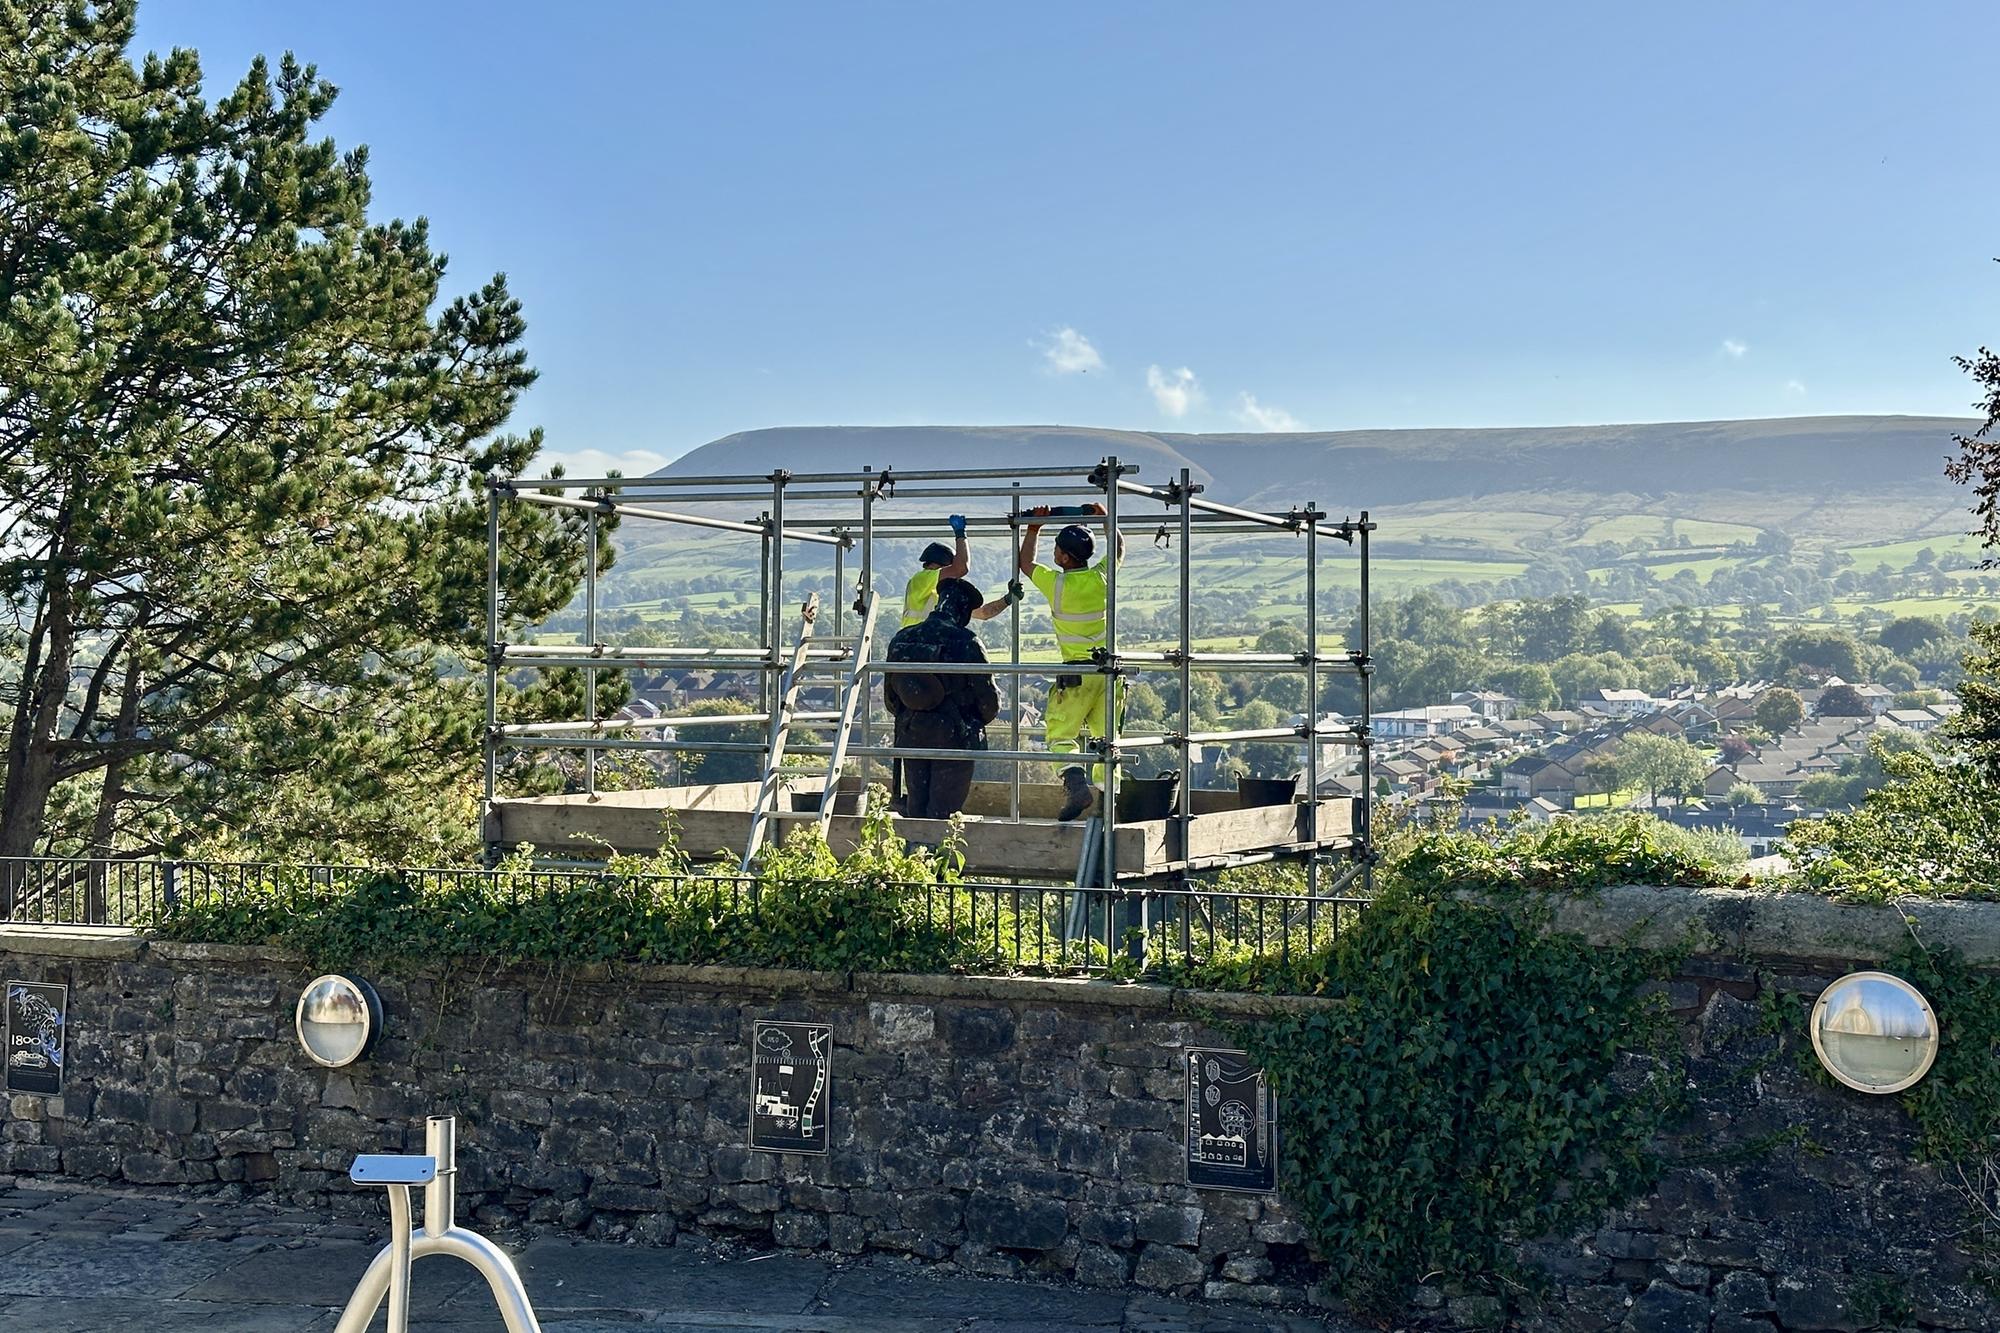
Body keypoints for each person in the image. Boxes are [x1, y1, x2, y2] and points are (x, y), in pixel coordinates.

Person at [1018, 503, 1125, 820]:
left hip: (1075, 674)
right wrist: (1106, 516)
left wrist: (1034, 527)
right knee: (1108, 740)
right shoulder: (1102, 579)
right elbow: (1117, 548)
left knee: (1061, 735)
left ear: (1065, 557)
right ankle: (1109, 805)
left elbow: (1026, 564)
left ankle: (1076, 784)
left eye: (1057, 549)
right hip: (1108, 673)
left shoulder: (1057, 584)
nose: (1055, 552)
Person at [883, 578, 1000, 820]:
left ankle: (914, 855)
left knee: (916, 806)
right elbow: (989, 704)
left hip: (911, 733)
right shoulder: (966, 642)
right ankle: (937, 855)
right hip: (955, 737)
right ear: (963, 611)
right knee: (944, 811)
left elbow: (891, 699)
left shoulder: (902, 638)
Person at [902, 515, 1019, 627]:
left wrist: (1008, 599)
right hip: (915, 642)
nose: (954, 578)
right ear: (937, 565)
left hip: (931, 643)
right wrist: (960, 534)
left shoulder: (945, 596)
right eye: (950, 569)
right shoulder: (921, 579)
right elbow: (961, 568)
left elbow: (983, 613)